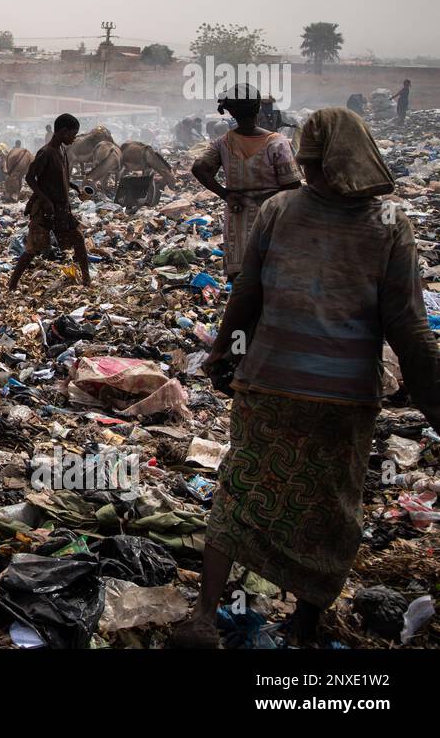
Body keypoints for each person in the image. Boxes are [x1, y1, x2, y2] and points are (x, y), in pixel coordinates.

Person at [173, 108, 440, 648]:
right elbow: (408, 327)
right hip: (342, 398)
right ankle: (305, 628)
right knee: (331, 509)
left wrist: (223, 352)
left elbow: (248, 293)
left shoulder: (278, 209)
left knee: (243, 490)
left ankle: (204, 617)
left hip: (270, 383)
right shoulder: (390, 223)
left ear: (311, 158)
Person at [191, 86, 301, 281]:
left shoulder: (223, 142)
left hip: (237, 218)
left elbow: (199, 168)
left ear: (231, 112)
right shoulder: (277, 143)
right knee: (273, 277)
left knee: (242, 280)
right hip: (272, 219)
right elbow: (292, 186)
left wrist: (226, 194)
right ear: (258, 108)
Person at [8, 114, 89, 290]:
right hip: (45, 210)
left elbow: (60, 177)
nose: (74, 138)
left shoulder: (63, 151)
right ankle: (12, 284)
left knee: (78, 239)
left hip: (61, 209)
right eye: (73, 134)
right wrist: (45, 200)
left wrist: (73, 186)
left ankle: (87, 282)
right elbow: (30, 178)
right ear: (62, 131)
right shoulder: (46, 152)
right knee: (33, 249)